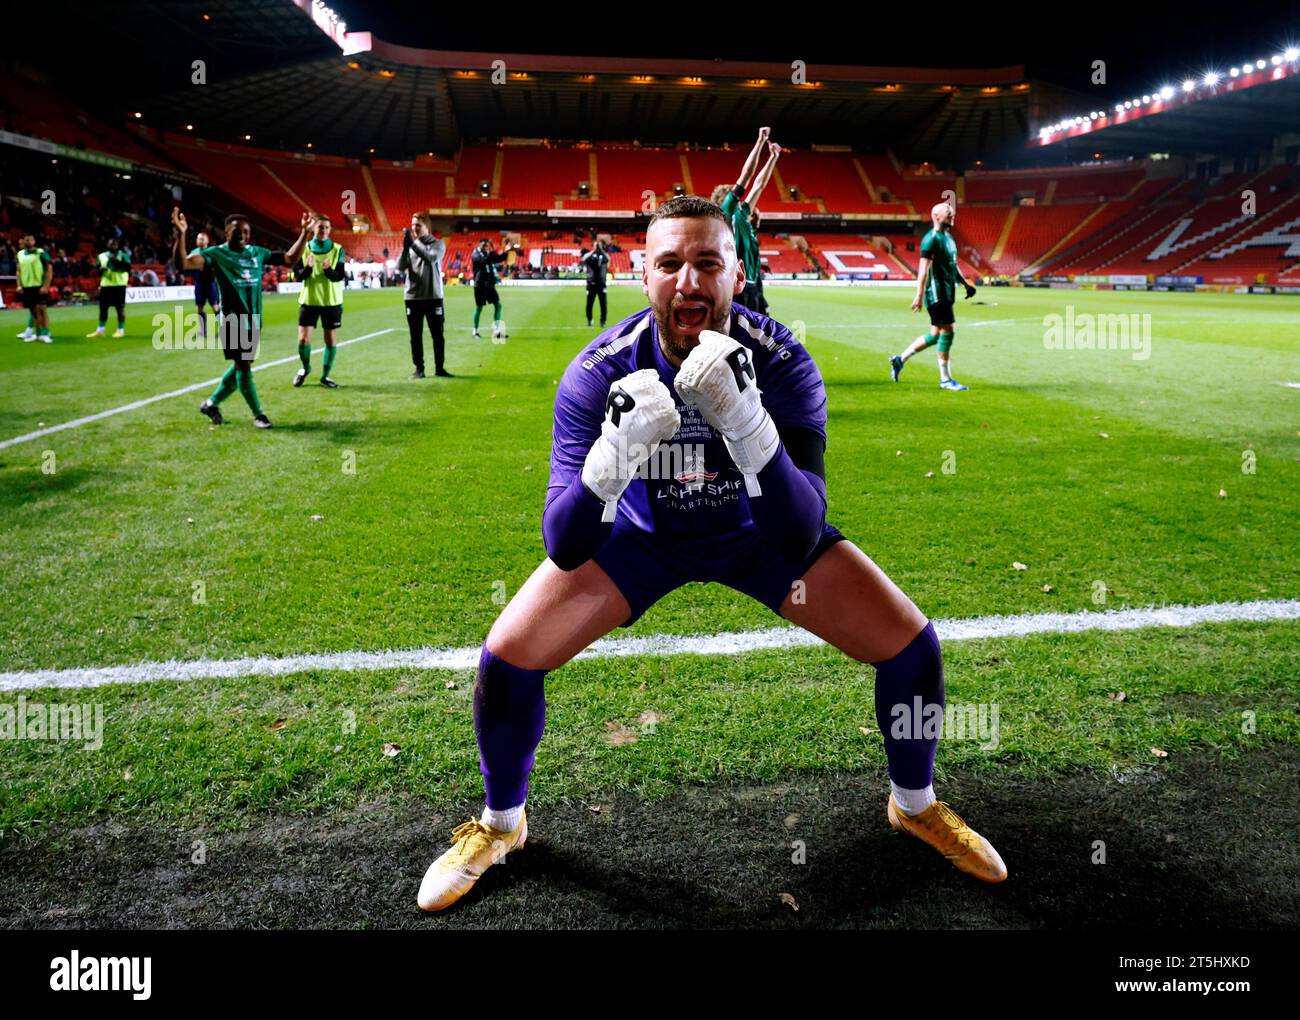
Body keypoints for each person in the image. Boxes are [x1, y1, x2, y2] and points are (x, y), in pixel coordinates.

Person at [416, 195, 1007, 913]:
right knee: (507, 658)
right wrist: (613, 457)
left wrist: (744, 422)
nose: (688, 283)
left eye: (707, 263)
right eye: (670, 264)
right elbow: (567, 545)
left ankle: (913, 804)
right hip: (639, 541)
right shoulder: (598, 371)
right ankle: (502, 826)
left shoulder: (782, 360)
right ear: (645, 276)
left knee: (913, 649)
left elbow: (798, 532)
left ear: (736, 273)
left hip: (757, 537)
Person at [172, 208, 310, 428]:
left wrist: (305, 233)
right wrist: (181, 234)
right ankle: (259, 415)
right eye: (237, 231)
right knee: (244, 366)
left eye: (246, 232)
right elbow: (183, 264)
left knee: (241, 365)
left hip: (254, 319)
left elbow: (291, 258)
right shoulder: (215, 254)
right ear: (226, 232)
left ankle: (211, 403)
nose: (242, 235)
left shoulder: (257, 252)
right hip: (232, 321)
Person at [891, 202, 977, 391]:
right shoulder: (931, 239)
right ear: (937, 216)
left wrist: (965, 285)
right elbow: (923, 270)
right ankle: (945, 379)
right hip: (936, 293)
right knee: (949, 331)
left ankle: (900, 360)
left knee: (934, 335)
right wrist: (919, 295)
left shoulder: (949, 238)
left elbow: (953, 266)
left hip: (947, 291)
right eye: (948, 212)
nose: (952, 214)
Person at [710, 128, 780, 314]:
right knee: (739, 336)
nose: (737, 197)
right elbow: (746, 178)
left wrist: (773, 157)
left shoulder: (742, 214)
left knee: (758, 335)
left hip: (754, 285)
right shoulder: (724, 213)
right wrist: (760, 141)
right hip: (737, 286)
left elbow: (759, 185)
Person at [292, 214, 348, 389]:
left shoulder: (338, 249)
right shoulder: (305, 248)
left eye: (325, 227)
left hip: (331, 302)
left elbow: (339, 276)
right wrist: (308, 268)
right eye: (319, 227)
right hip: (309, 301)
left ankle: (325, 376)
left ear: (330, 230)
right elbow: (297, 277)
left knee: (330, 342)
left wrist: (329, 270)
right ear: (313, 229)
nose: (322, 230)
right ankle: (305, 368)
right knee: (303, 341)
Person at [399, 213, 450, 378]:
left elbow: (431, 258)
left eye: (418, 225)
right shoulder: (412, 245)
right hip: (412, 298)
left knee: (437, 335)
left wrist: (413, 245)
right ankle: (419, 369)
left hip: (433, 296)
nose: (414, 228)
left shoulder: (438, 244)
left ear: (427, 227)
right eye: (413, 225)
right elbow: (401, 267)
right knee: (415, 336)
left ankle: (439, 368)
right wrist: (405, 248)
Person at [470, 237, 516, 340]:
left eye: (487, 245)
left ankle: (497, 331)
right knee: (479, 307)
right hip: (480, 284)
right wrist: (491, 252)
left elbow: (498, 259)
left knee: (498, 305)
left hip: (489, 284)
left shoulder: (487, 253)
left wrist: (506, 251)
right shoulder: (475, 254)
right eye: (485, 245)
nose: (487, 247)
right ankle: (475, 331)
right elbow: (483, 261)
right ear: (480, 245)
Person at [86, 238, 130, 338]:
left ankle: (120, 330)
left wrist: (115, 262)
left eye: (114, 244)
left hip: (119, 284)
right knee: (103, 308)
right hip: (106, 285)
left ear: (117, 245)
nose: (112, 246)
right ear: (107, 245)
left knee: (120, 308)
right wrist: (99, 269)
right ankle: (100, 330)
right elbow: (96, 269)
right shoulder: (102, 256)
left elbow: (127, 268)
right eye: (110, 244)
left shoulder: (123, 255)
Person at [16, 235, 53, 343]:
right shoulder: (20, 254)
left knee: (42, 309)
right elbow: (18, 271)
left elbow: (49, 269)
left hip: (39, 286)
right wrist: (19, 285)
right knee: (34, 312)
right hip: (27, 287)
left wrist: (46, 285)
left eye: (31, 239)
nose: (29, 241)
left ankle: (45, 333)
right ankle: (37, 334)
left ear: (34, 241)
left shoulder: (41, 253)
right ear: (23, 241)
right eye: (26, 239)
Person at [189, 230, 221, 342]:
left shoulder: (212, 252)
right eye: (198, 238)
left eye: (202, 239)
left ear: (207, 241)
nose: (199, 240)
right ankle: (203, 331)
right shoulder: (193, 252)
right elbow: (188, 265)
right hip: (199, 284)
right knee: (199, 307)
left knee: (215, 306)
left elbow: (217, 266)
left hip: (210, 283)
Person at [579, 239, 610, 327]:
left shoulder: (603, 256)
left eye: (598, 245)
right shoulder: (589, 256)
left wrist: (601, 250)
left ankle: (602, 321)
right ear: (593, 246)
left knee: (603, 304)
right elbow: (584, 258)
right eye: (596, 245)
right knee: (589, 304)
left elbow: (608, 259)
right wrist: (593, 251)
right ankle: (589, 320)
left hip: (601, 284)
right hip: (591, 284)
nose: (597, 247)